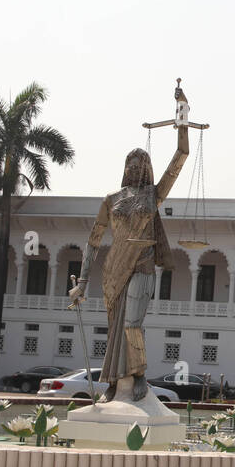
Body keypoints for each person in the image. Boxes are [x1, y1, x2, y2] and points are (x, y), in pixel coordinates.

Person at [69, 114, 189, 403]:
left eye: (140, 166)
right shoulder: (111, 199)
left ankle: (138, 374)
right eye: (130, 166)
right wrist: (82, 283)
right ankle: (113, 382)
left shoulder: (152, 195)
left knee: (132, 324)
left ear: (147, 169)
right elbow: (93, 240)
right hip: (114, 270)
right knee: (114, 330)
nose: (135, 170)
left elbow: (180, 158)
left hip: (143, 265)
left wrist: (183, 124)